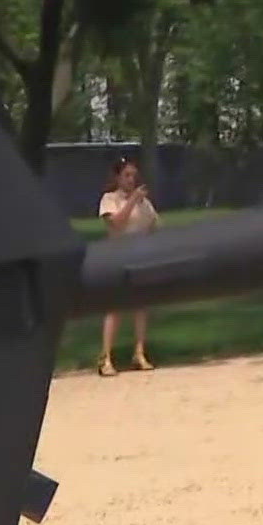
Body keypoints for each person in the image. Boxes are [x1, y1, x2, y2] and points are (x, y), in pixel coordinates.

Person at [96, 157, 160, 376]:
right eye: (127, 175)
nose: (131, 180)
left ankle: (139, 352)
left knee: (140, 306)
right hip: (117, 255)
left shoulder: (144, 203)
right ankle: (105, 357)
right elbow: (116, 222)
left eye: (134, 176)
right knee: (114, 308)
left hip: (139, 254)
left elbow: (153, 226)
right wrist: (132, 200)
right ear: (117, 177)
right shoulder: (109, 199)